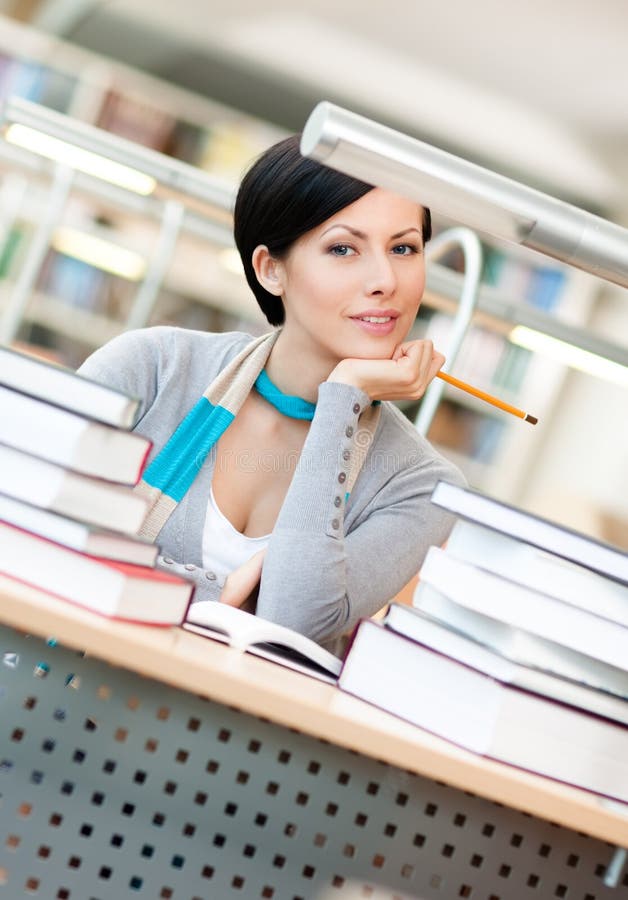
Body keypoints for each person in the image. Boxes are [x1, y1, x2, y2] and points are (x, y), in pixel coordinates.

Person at [78, 134, 465, 655]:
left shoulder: (421, 485)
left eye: (404, 248)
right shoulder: (151, 369)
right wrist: (215, 599)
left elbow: (291, 625)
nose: (385, 280)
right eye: (344, 248)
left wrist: (344, 399)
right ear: (270, 269)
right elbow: (33, 525)